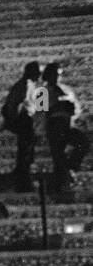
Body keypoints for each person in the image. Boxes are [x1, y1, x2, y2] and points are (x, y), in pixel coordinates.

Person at [42, 61, 89, 194]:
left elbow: (77, 108)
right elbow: (40, 112)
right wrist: (57, 107)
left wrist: (72, 110)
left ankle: (71, 167)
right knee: (59, 157)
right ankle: (61, 187)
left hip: (67, 123)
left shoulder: (67, 89)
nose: (57, 77)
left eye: (59, 74)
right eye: (54, 74)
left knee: (83, 143)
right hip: (54, 125)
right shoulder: (42, 91)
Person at [2, 61, 42, 190]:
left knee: (26, 147)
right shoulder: (25, 85)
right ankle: (23, 175)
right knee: (26, 147)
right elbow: (19, 104)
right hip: (24, 119)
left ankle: (23, 172)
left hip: (24, 119)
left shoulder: (26, 84)